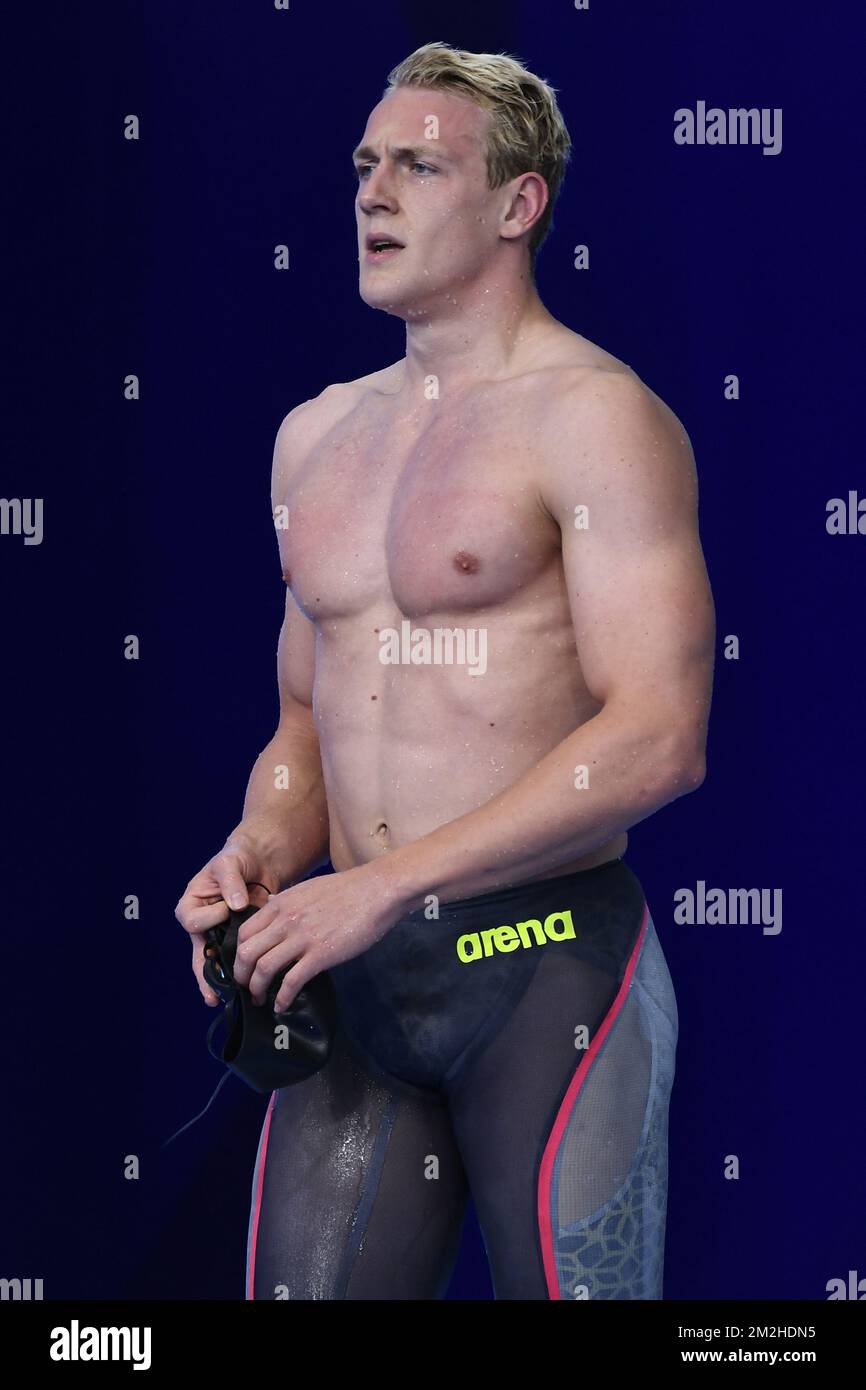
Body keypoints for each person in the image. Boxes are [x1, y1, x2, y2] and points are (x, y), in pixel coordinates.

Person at [175, 41, 715, 1300]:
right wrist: (259, 851)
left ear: (517, 204)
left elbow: (656, 736)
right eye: (367, 165)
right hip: (353, 973)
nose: (374, 193)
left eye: (419, 165)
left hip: (544, 962)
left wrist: (379, 889)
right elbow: (303, 718)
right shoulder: (314, 435)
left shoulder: (595, 416)